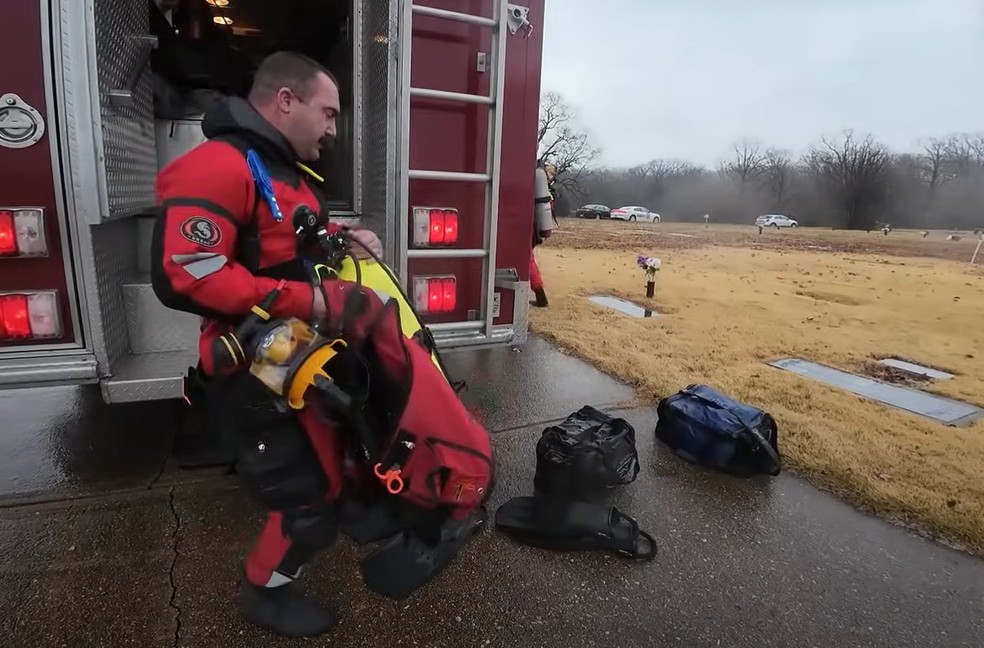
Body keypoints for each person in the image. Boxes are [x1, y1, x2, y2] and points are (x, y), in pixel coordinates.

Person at [150, 52, 393, 637]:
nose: (334, 130)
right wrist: (311, 302)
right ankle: (264, 593)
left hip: (292, 357)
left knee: (338, 468)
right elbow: (189, 275)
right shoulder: (218, 166)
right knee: (305, 503)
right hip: (251, 368)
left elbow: (283, 238)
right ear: (286, 101)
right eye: (328, 114)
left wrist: (341, 237)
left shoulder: (281, 173)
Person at [530, 161, 556, 307]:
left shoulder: (537, 186)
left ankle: (541, 297)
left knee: (528, 262)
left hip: (529, 229)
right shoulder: (544, 191)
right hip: (533, 230)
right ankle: (540, 296)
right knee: (529, 261)